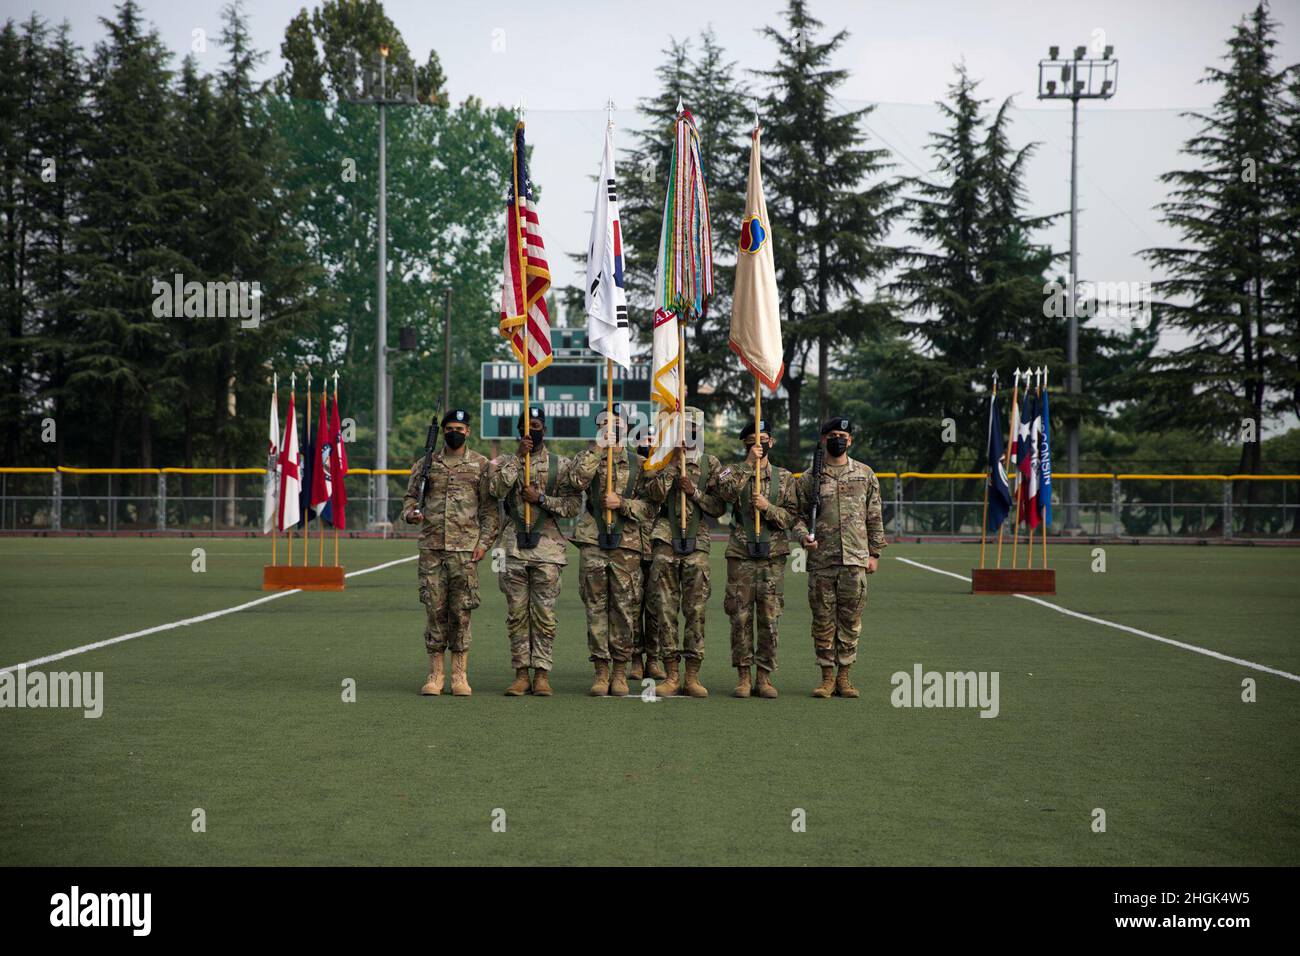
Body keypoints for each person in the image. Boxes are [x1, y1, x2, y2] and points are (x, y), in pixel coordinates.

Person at [400, 409, 498, 697]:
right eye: (449, 427)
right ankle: (435, 674)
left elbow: (490, 510)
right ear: (442, 431)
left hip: (465, 551)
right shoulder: (426, 464)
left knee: (461, 611)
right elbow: (409, 499)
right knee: (434, 609)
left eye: (460, 427)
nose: (454, 431)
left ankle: (459, 675)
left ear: (468, 431)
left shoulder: (481, 465)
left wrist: (483, 544)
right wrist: (410, 514)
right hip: (432, 549)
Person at [562, 404, 657, 697]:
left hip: (626, 543)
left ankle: (619, 671)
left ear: (627, 428)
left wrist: (623, 504)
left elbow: (650, 507)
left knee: (624, 609)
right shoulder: (588, 457)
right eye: (606, 424)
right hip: (593, 540)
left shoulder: (639, 464)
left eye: (617, 425)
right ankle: (601, 671)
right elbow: (575, 482)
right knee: (596, 608)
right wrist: (599, 449)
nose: (612, 429)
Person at [488, 406, 580, 696]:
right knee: (517, 615)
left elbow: (572, 506)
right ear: (518, 430)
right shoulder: (505, 462)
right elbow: (496, 491)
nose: (532, 430)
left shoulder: (561, 465)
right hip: (512, 549)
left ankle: (542, 674)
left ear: (546, 430)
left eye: (537, 425)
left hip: (548, 551)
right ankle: (521, 674)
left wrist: (541, 499)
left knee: (544, 615)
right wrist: (517, 458)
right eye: (527, 425)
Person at [716, 418, 805, 699]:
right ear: (745, 444)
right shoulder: (734, 471)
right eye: (754, 441)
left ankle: (764, 676)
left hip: (772, 556)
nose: (760, 445)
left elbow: (791, 517)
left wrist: (767, 508)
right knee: (740, 616)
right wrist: (746, 465)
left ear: (772, 442)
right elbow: (724, 493)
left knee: (769, 617)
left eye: (764, 439)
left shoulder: (785, 478)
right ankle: (743, 675)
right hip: (741, 554)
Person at [797, 417, 886, 698]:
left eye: (843, 435)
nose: (839, 439)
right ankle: (826, 678)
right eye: (833, 434)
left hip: (855, 560)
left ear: (851, 441)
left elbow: (874, 515)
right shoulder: (811, 476)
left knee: (850, 619)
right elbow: (796, 517)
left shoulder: (864, 473)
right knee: (823, 619)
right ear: (824, 439)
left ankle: (845, 677)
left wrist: (874, 553)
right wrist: (803, 536)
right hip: (822, 560)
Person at [642, 409, 726, 697]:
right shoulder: (660, 462)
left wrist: (694, 493)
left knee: (696, 610)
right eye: (682, 428)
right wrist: (671, 467)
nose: (687, 433)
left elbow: (718, 507)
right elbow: (651, 496)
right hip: (665, 540)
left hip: (697, 543)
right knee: (664, 609)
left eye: (692, 428)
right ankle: (671, 674)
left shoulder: (710, 464)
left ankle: (692, 676)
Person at [630, 424, 666, 682]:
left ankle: (653, 658)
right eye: (645, 439)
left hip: (657, 546)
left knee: (656, 607)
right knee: (631, 606)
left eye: (654, 439)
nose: (649, 443)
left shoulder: (665, 470)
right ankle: (634, 658)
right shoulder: (628, 470)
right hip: (630, 545)